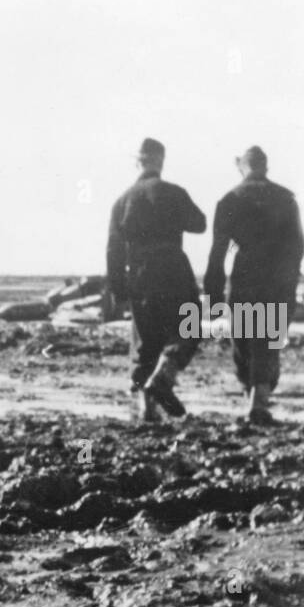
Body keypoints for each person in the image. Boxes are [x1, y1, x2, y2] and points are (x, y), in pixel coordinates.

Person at [105, 138, 207, 421]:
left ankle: (146, 408)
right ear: (161, 161)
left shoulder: (122, 201)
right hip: (174, 269)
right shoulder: (174, 193)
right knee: (188, 325)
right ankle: (164, 375)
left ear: (138, 162)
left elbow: (113, 250)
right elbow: (199, 224)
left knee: (145, 339)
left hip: (139, 274)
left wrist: (118, 290)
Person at [203, 146, 304, 425]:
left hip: (245, 278)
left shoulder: (229, 200)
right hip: (277, 279)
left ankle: (255, 400)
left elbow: (217, 253)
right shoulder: (286, 199)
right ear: (265, 167)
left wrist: (212, 299)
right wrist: (290, 284)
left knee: (245, 342)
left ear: (241, 168)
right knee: (267, 341)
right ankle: (258, 400)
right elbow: (297, 247)